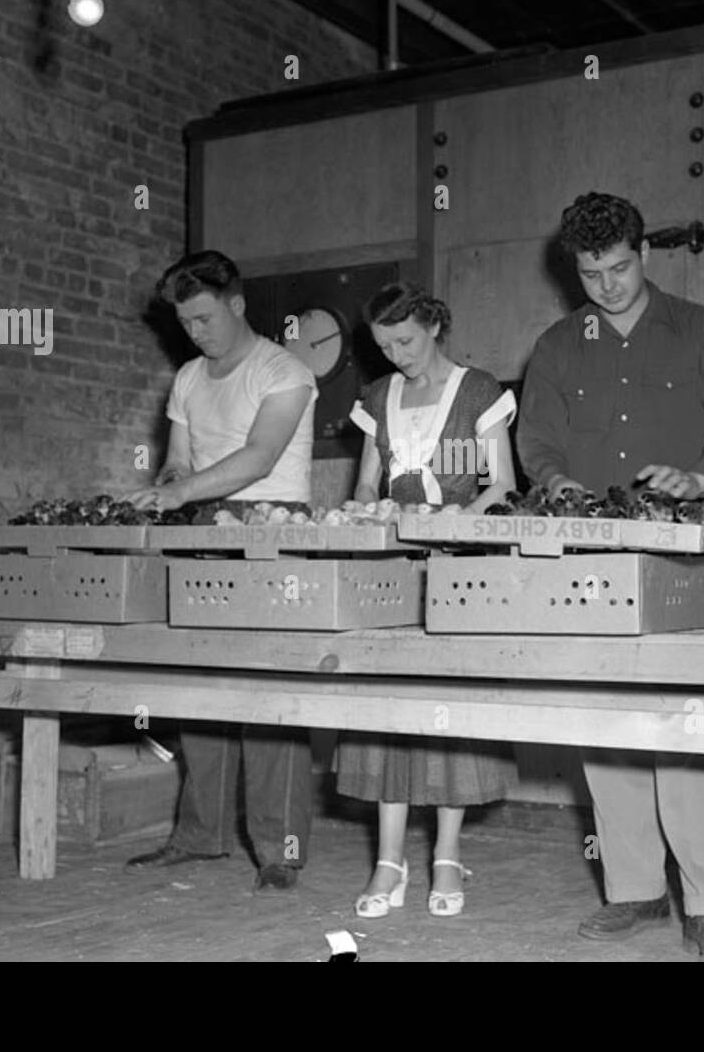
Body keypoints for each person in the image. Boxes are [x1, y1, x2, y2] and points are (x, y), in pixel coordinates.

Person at [517, 192, 704, 960]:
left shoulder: (701, 331)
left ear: (644, 254)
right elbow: (537, 443)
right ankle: (633, 890)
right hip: (593, 562)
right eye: (590, 273)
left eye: (620, 268)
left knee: (689, 723)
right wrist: (555, 482)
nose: (607, 286)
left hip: (681, 556)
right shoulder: (558, 345)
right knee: (607, 722)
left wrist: (698, 478)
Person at [124, 250, 317, 892]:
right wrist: (172, 483)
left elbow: (260, 457)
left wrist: (181, 494)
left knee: (269, 699)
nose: (195, 331)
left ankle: (278, 850)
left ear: (236, 304)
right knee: (200, 687)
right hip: (204, 533)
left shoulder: (284, 369)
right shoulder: (187, 378)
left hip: (270, 537)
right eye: (185, 322)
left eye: (204, 317)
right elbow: (178, 459)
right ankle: (199, 835)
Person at [335, 282, 518, 918]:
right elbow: (363, 484)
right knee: (386, 713)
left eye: (406, 340)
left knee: (447, 714)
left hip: (459, 574)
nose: (397, 354)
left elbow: (504, 486)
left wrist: (456, 522)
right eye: (384, 345)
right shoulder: (377, 396)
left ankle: (446, 853)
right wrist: (362, 520)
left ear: (434, 325)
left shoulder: (479, 391)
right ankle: (389, 862)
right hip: (390, 575)